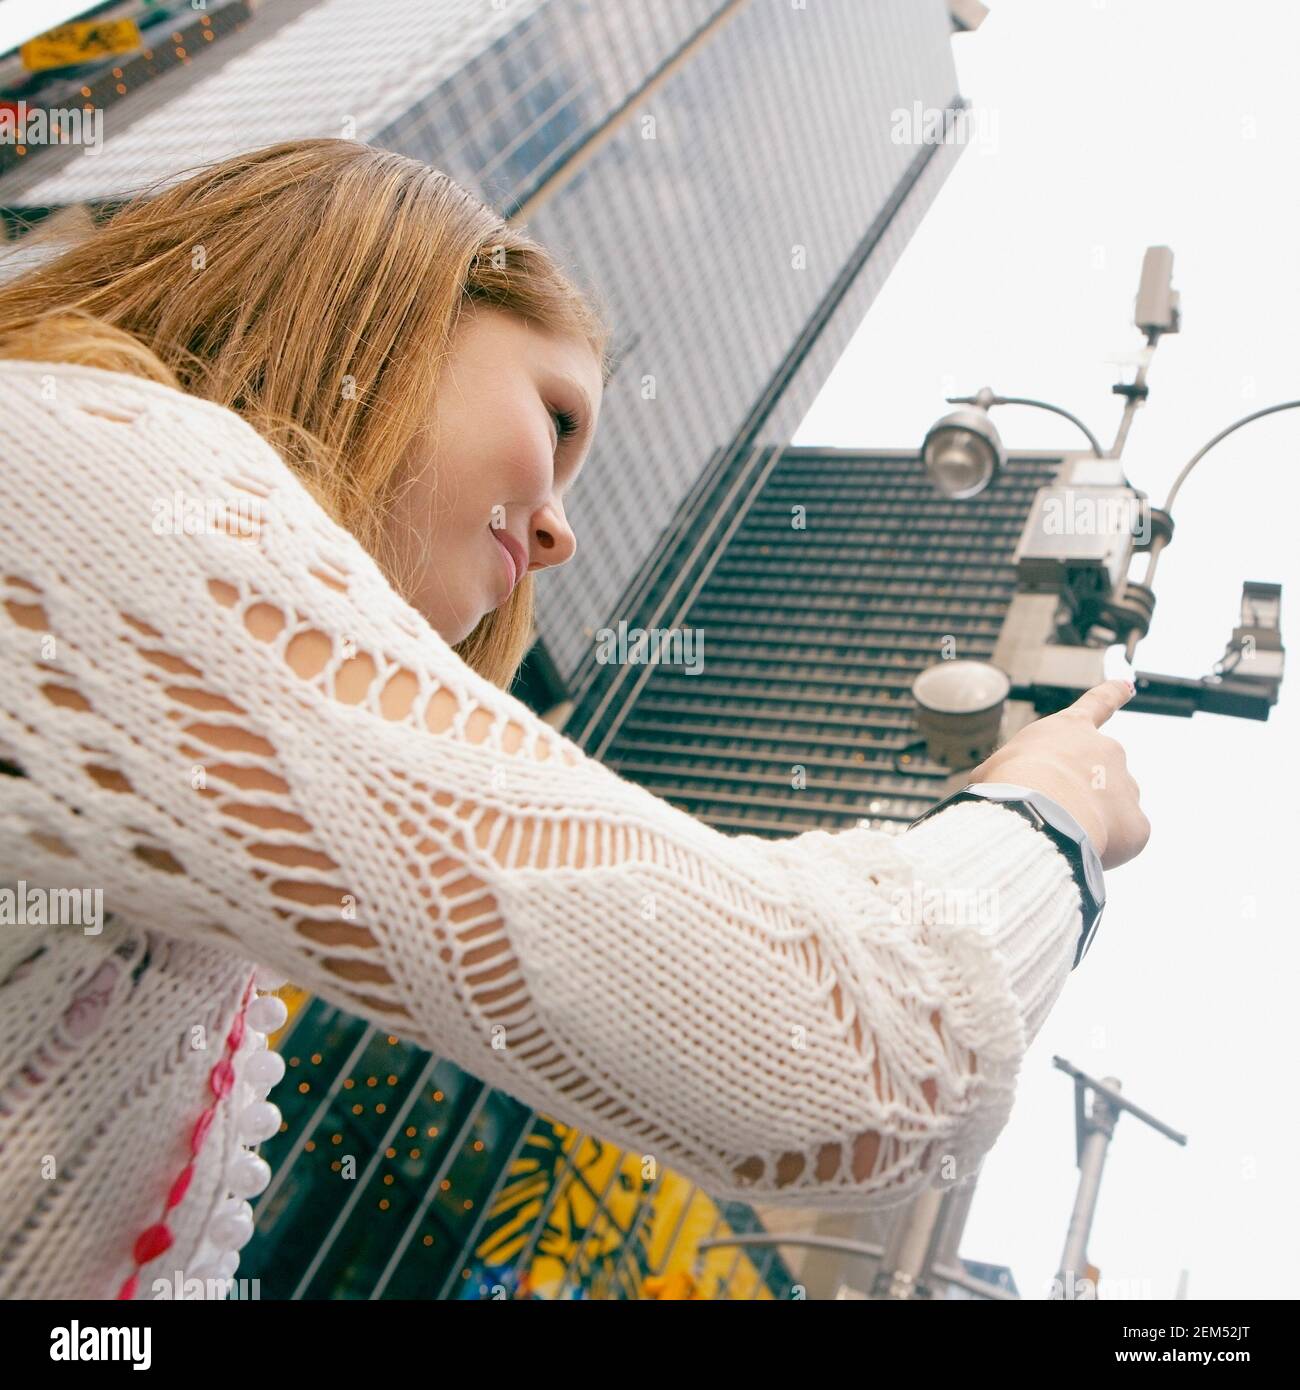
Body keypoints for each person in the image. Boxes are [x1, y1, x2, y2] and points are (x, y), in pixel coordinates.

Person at [0, 139, 1149, 1300]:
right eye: (556, 422)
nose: (559, 532)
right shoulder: (106, 487)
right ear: (369, 300)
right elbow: (848, 1062)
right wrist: (1049, 803)